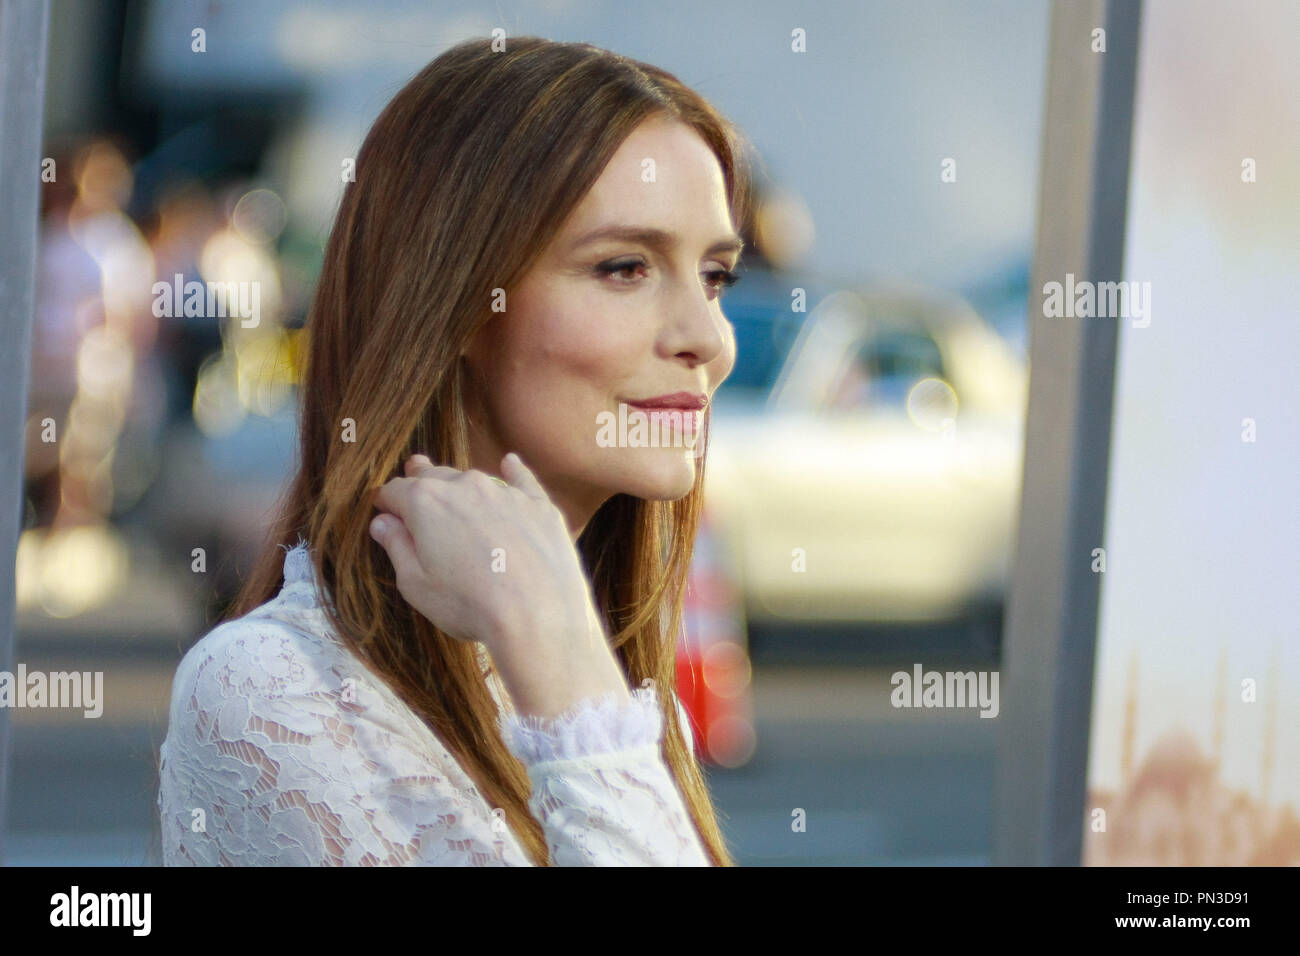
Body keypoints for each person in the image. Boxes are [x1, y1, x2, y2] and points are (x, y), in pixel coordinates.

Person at [156, 35, 752, 866]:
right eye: (625, 268)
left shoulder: (592, 678)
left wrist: (567, 665)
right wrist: (572, 682)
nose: (708, 338)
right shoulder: (273, 692)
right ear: (463, 300)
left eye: (717, 275)